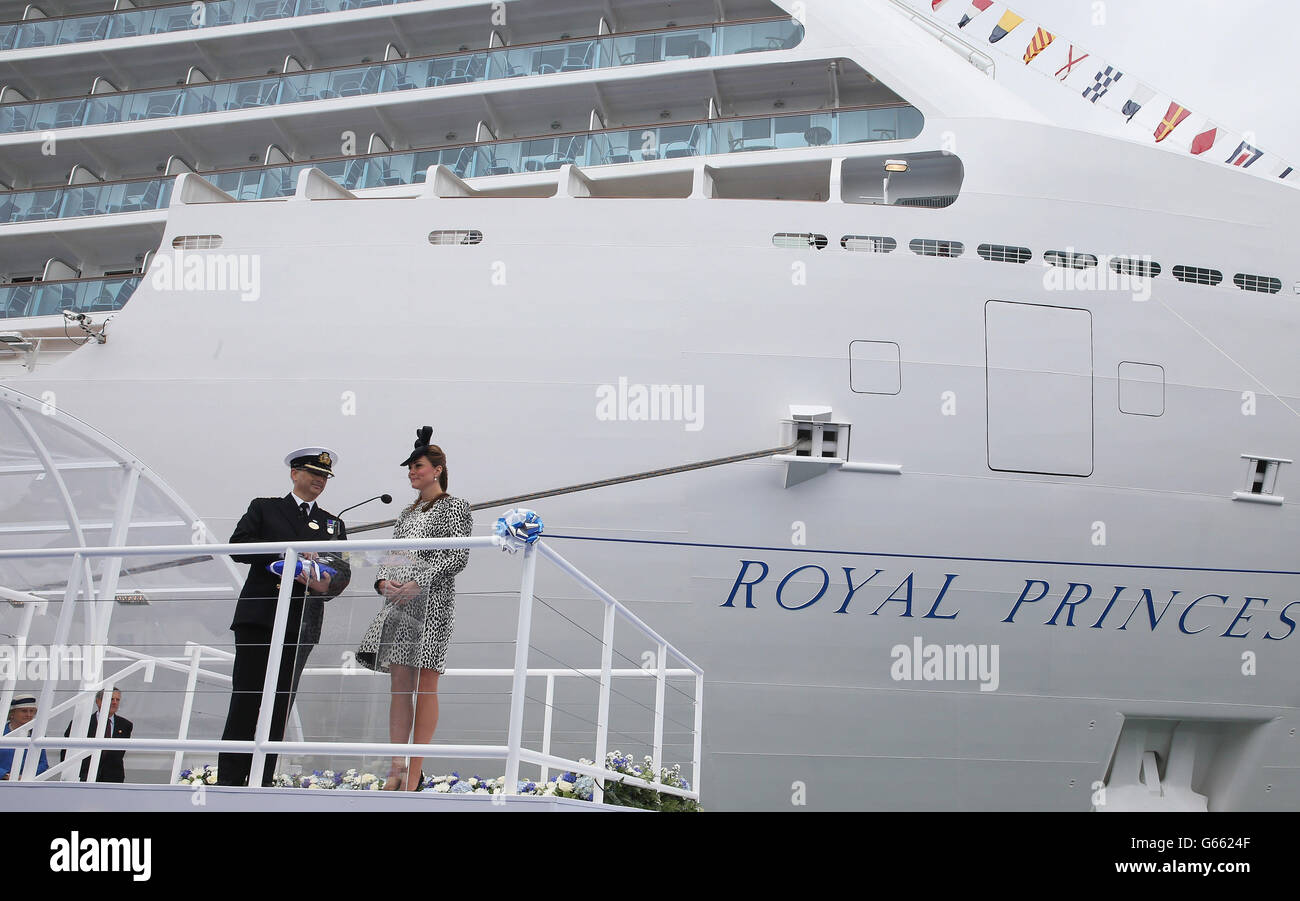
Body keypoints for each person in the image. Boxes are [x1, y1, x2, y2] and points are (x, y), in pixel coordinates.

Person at [217, 446, 351, 787]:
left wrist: (324, 575)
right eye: (313, 473)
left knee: (280, 703)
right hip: (260, 615)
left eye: (324, 476)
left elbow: (340, 575)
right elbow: (239, 545)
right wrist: (287, 551)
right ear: (294, 474)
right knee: (246, 697)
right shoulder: (265, 508)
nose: (319, 480)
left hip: (300, 621)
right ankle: (230, 780)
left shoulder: (333, 524)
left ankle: (261, 780)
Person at [357, 428, 472, 791]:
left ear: (437, 469)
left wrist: (421, 581)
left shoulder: (454, 506)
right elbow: (393, 555)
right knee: (399, 684)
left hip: (432, 603)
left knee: (425, 682)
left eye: (418, 466)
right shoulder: (406, 514)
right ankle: (396, 767)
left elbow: (457, 554)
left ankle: (414, 770)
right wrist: (382, 582)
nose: (411, 472)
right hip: (398, 605)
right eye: (409, 468)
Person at [61, 689, 133, 782]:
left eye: (117, 700)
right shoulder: (81, 723)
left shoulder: (125, 725)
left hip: (113, 779)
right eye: (111, 699)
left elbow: (119, 754)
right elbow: (66, 751)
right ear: (98, 701)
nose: (115, 702)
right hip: (84, 778)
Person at [0, 694, 49, 780]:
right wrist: (4, 775)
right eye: (24, 711)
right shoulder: (1, 732)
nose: (29, 715)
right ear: (12, 713)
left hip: (26, 782)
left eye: (32, 711)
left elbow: (43, 763)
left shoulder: (37, 734)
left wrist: (25, 776)